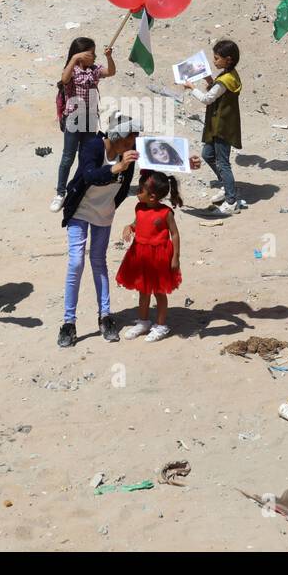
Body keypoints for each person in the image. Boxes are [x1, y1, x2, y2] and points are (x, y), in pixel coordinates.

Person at [58, 113, 201, 347]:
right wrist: (117, 168)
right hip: (79, 210)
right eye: (129, 139)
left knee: (98, 261)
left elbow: (162, 158)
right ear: (117, 136)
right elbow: (88, 174)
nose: (133, 144)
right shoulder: (93, 146)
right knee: (76, 262)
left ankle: (105, 317)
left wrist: (189, 163)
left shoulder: (132, 152)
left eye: (135, 139)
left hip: (103, 213)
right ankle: (68, 322)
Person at [117, 171, 183, 342]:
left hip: (159, 256)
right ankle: (143, 322)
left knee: (160, 292)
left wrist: (175, 256)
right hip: (140, 254)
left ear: (152, 196)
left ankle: (161, 326)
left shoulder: (166, 213)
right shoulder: (139, 208)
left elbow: (174, 234)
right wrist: (128, 227)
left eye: (140, 189)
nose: (137, 191)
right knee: (143, 290)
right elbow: (136, 223)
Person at [52, 36, 115, 212]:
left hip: (90, 119)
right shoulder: (72, 70)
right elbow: (64, 80)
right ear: (81, 54)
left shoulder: (94, 70)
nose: (94, 57)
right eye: (91, 53)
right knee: (68, 157)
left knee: (86, 156)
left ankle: (80, 187)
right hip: (74, 118)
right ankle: (60, 192)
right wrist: (74, 59)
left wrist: (109, 56)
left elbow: (110, 72)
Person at [184, 39, 243, 215]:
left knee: (223, 162)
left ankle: (232, 201)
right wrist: (208, 78)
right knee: (207, 154)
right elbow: (216, 90)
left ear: (228, 59)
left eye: (217, 58)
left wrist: (191, 87)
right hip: (218, 124)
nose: (214, 61)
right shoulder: (228, 75)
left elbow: (208, 98)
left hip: (222, 127)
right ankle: (226, 185)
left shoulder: (226, 80)